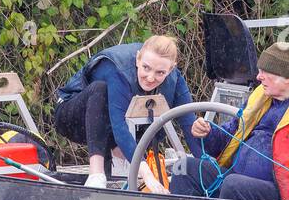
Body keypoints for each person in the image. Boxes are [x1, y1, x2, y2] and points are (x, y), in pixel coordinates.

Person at [170, 42, 289, 200]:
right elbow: (231, 134)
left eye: (265, 72)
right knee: (185, 167)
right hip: (237, 181)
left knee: (234, 185)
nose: (258, 77)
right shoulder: (263, 97)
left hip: (287, 196)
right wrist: (208, 132)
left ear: (287, 78)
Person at [53, 35, 202, 189]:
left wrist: (209, 168)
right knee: (100, 89)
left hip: (111, 128)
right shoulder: (117, 70)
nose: (150, 78)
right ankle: (96, 174)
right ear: (138, 59)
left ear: (170, 69)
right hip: (73, 118)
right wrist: (147, 175)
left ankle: (122, 155)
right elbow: (119, 126)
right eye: (146, 68)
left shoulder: (175, 78)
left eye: (160, 73)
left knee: (157, 113)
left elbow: (190, 127)